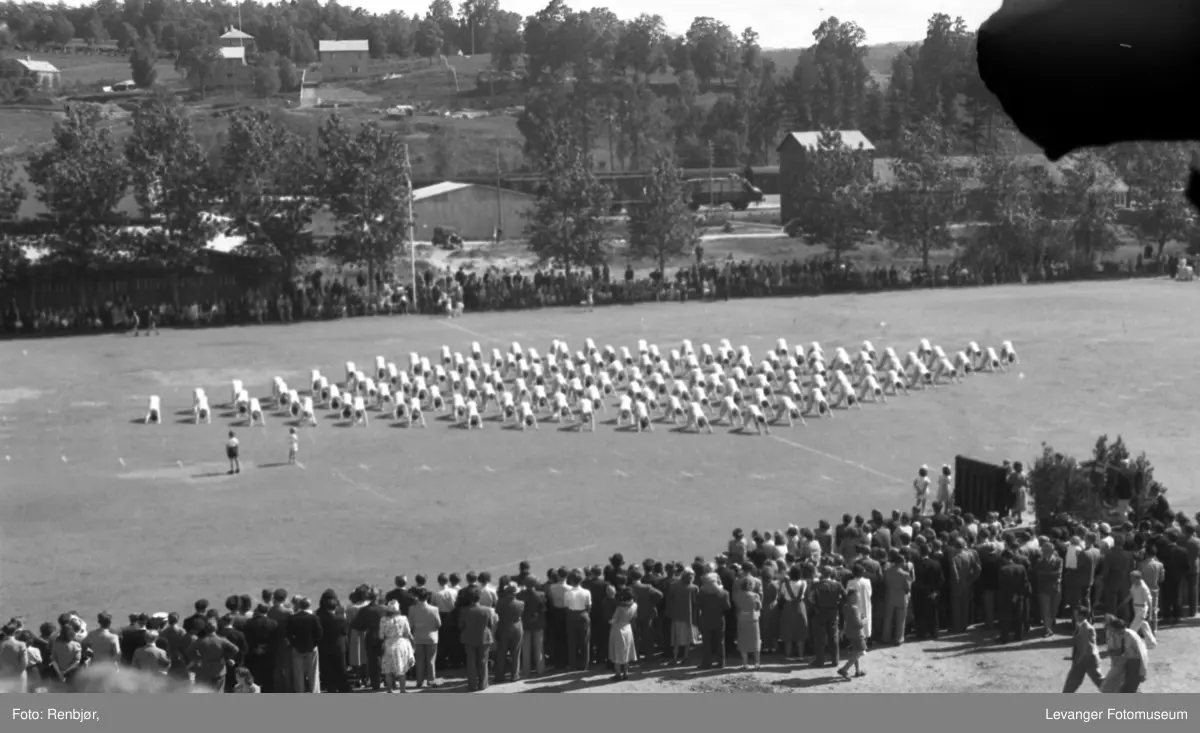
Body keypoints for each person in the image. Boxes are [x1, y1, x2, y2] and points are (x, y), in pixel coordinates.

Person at [1062, 608, 1103, 693]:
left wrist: (1080, 659)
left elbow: (1089, 647)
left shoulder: (1087, 628)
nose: (1074, 616)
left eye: (1076, 614)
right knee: (1072, 682)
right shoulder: (1080, 625)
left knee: (1100, 681)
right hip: (1081, 659)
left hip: (1089, 659)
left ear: (1081, 615)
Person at [378, 601, 414, 693]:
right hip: (400, 644)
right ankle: (402, 689)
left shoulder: (383, 619)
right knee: (401, 668)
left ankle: (389, 689)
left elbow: (381, 635)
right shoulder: (403, 618)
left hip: (388, 644)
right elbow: (407, 633)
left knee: (388, 669)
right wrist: (413, 643)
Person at [837, 586, 867, 680]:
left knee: (855, 651)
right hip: (857, 634)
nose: (858, 598)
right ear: (851, 597)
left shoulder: (846, 606)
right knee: (861, 651)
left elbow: (847, 620)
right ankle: (844, 669)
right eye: (856, 596)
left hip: (850, 633)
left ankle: (857, 671)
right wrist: (864, 621)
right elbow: (858, 624)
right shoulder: (854, 608)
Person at [608, 588, 637, 681]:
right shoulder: (635, 605)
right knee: (626, 652)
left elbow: (613, 620)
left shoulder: (620, 608)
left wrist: (608, 621)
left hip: (618, 630)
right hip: (628, 628)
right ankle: (626, 673)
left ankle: (618, 675)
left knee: (618, 654)